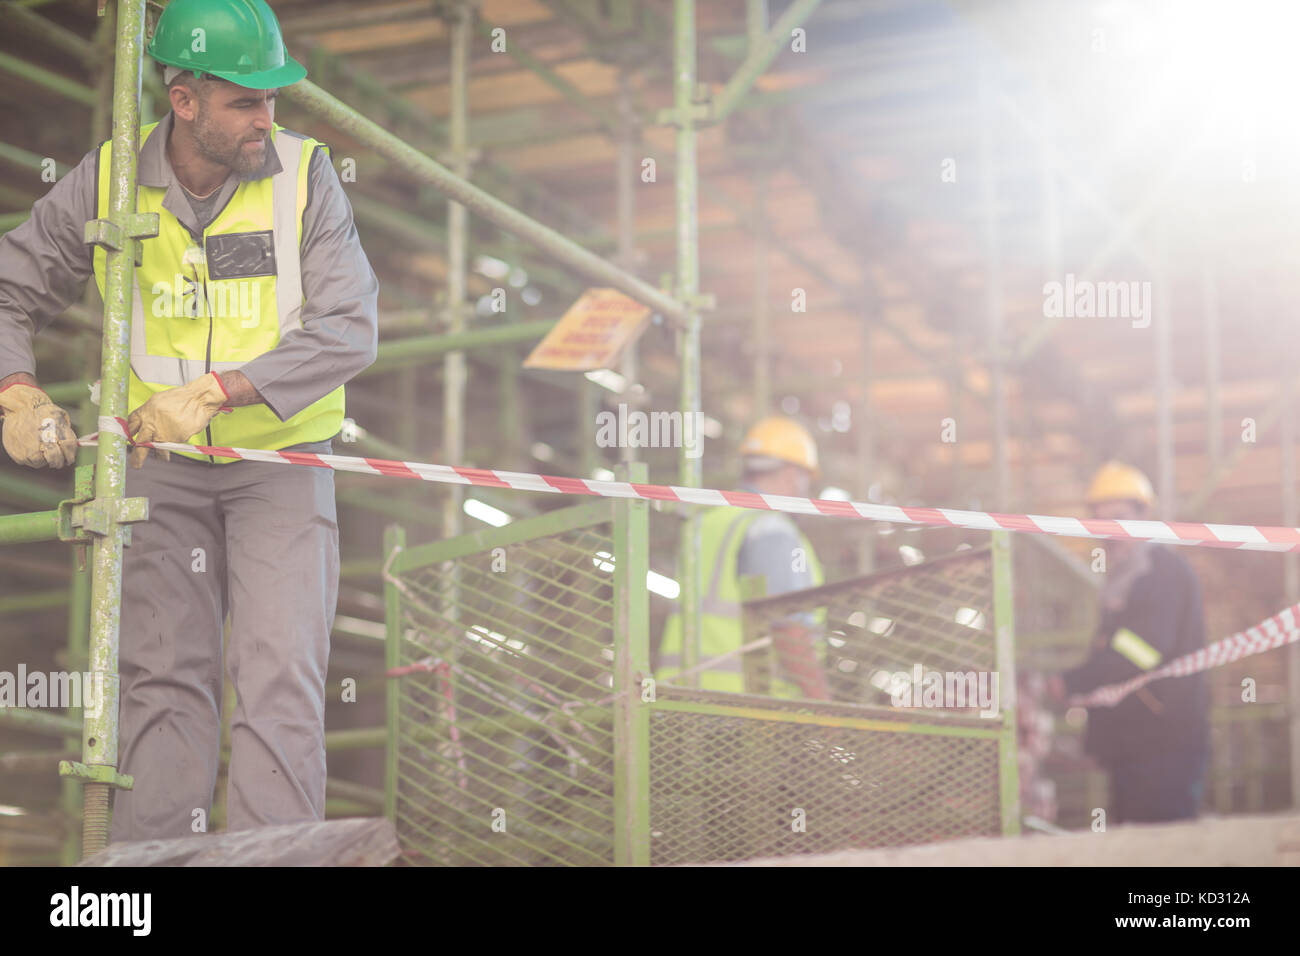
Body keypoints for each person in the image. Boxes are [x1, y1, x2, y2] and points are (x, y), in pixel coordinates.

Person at [0, 0, 378, 840]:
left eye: (273, 99)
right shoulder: (106, 179)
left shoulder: (305, 174)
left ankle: (271, 866)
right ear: (184, 101)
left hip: (283, 466)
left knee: (279, 675)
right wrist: (15, 390)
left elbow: (350, 328)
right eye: (245, 101)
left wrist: (218, 392)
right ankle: (150, 878)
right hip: (159, 473)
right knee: (162, 677)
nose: (266, 119)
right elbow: (9, 284)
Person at [1049, 461, 1209, 824]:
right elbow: (1115, 652)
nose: (1111, 533)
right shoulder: (1123, 581)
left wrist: (1074, 681)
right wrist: (1097, 737)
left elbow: (1140, 651)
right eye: (1102, 524)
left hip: (1166, 742)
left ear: (1144, 515)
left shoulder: (1162, 573)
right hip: (1132, 743)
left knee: (1161, 843)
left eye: (1119, 519)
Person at [657, 416, 830, 699]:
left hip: (681, 698)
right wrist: (824, 709)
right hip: (743, 708)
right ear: (791, 474)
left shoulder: (707, 522)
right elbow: (789, 630)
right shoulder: (771, 529)